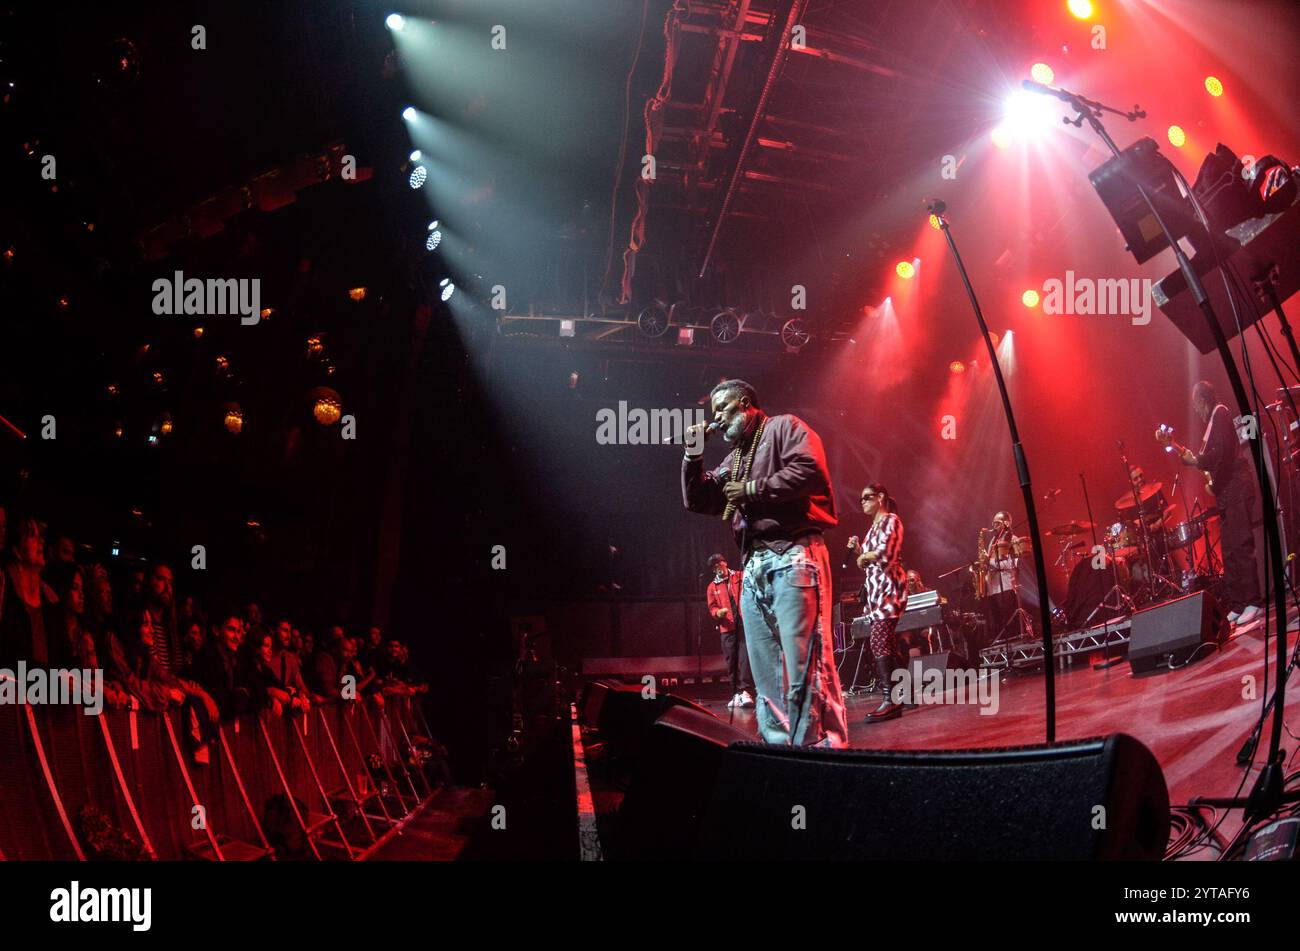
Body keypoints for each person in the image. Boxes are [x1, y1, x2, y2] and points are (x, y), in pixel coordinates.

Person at [682, 379, 847, 747]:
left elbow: (811, 471)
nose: (717, 420)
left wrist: (754, 489)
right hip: (753, 564)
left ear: (744, 404)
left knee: (807, 662)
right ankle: (781, 753)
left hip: (793, 551)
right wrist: (693, 455)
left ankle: (822, 750)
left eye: (722, 410)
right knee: (766, 673)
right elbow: (698, 500)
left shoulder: (784, 427)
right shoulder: (734, 458)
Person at [1179, 380, 1262, 626]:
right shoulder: (1213, 423)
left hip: (1237, 488)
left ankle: (1252, 601)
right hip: (1227, 493)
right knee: (1228, 550)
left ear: (1204, 400)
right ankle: (1238, 603)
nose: (1195, 409)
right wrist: (1212, 481)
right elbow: (1217, 462)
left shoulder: (1221, 413)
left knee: (1241, 546)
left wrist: (1196, 461)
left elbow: (1223, 454)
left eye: (1195, 403)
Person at [853, 484, 908, 723]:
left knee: (879, 640)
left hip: (889, 589)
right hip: (876, 593)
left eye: (867, 497)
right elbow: (867, 559)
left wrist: (865, 556)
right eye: (861, 499)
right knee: (889, 644)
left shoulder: (891, 520)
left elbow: (886, 553)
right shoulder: (873, 528)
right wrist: (858, 550)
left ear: (881, 497)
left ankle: (891, 700)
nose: (862, 502)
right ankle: (904, 693)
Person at [705, 553, 753, 709]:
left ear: (724, 563)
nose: (717, 568)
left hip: (744, 625)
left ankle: (746, 692)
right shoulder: (712, 586)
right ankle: (736, 693)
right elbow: (712, 607)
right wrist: (717, 613)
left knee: (745, 659)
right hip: (727, 628)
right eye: (714, 567)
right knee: (731, 661)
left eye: (719, 564)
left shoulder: (739, 576)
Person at [982, 511, 1023, 644]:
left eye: (997, 523)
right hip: (992, 588)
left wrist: (991, 562)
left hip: (1006, 587)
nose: (993, 526)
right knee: (998, 627)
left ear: (1006, 523)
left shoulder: (1013, 539)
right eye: (993, 523)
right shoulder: (993, 541)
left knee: (1010, 627)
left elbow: (1012, 564)